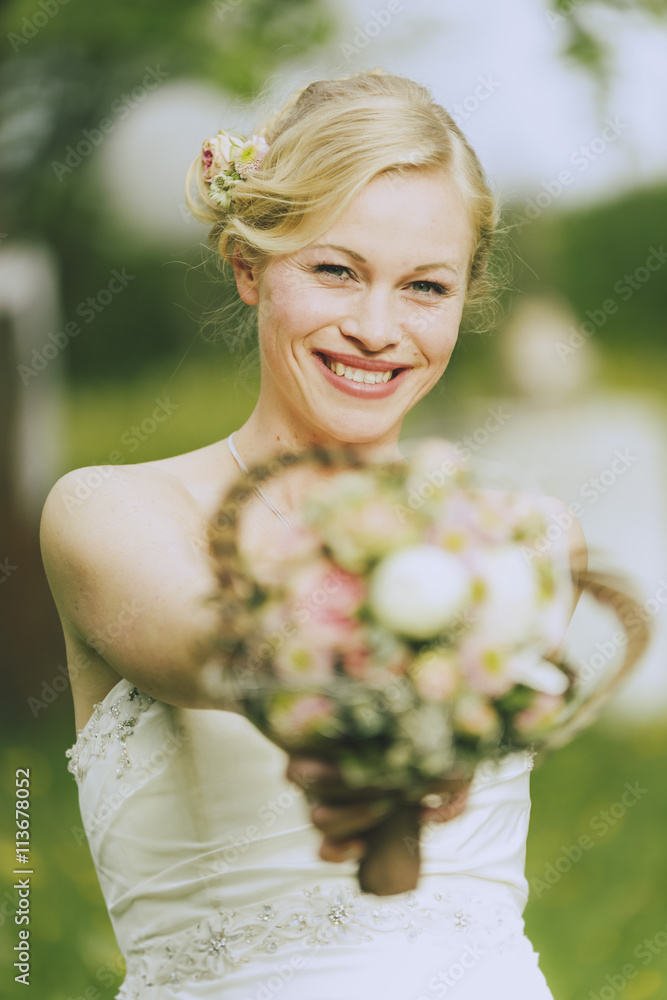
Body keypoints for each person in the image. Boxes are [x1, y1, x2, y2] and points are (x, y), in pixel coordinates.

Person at [40, 68, 588, 999]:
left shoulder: (527, 536)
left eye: (424, 287)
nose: (376, 329)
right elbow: (209, 648)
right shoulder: (110, 511)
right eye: (335, 270)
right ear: (249, 266)